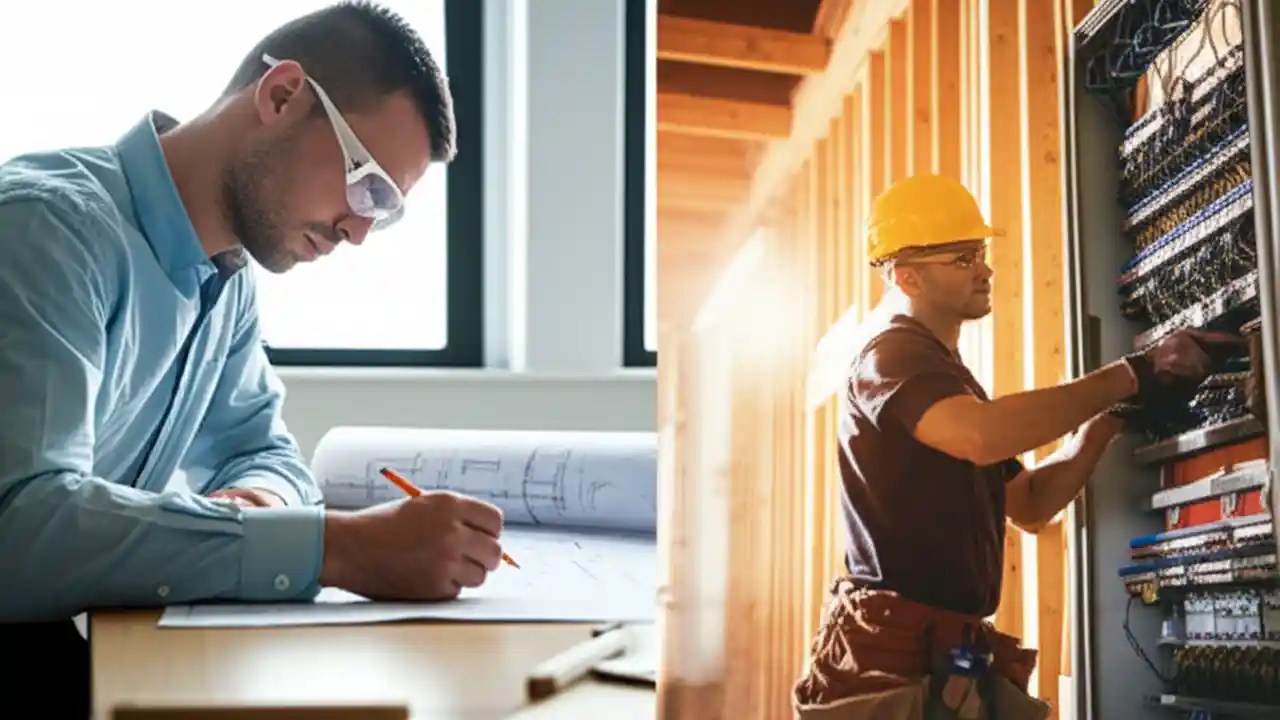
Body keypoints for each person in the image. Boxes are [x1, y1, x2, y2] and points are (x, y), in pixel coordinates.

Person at [0, 2, 504, 716]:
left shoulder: (225, 279)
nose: (358, 230)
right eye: (368, 185)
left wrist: (256, 508)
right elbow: (19, 527)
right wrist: (339, 549)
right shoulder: (48, 231)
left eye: (385, 210)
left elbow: (264, 452)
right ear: (281, 96)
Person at [791, 174, 1241, 719]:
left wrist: (1108, 422)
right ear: (907, 276)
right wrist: (1132, 373)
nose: (984, 267)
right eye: (960, 258)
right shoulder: (890, 358)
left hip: (948, 652)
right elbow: (981, 435)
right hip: (889, 660)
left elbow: (1028, 502)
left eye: (979, 252)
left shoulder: (950, 381)